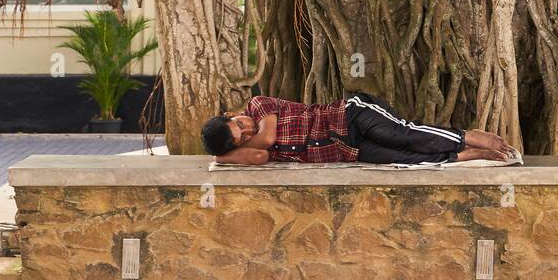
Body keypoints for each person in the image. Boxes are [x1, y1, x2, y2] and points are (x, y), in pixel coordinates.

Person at [200, 90, 520, 166]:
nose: (246, 129)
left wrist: (234, 149)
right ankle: (468, 154)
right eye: (241, 137)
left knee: (402, 133)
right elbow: (258, 159)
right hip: (346, 150)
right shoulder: (249, 151)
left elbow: (267, 140)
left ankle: (470, 136)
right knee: (403, 159)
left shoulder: (257, 105)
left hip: (348, 115)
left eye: (238, 124)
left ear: (232, 113)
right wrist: (222, 156)